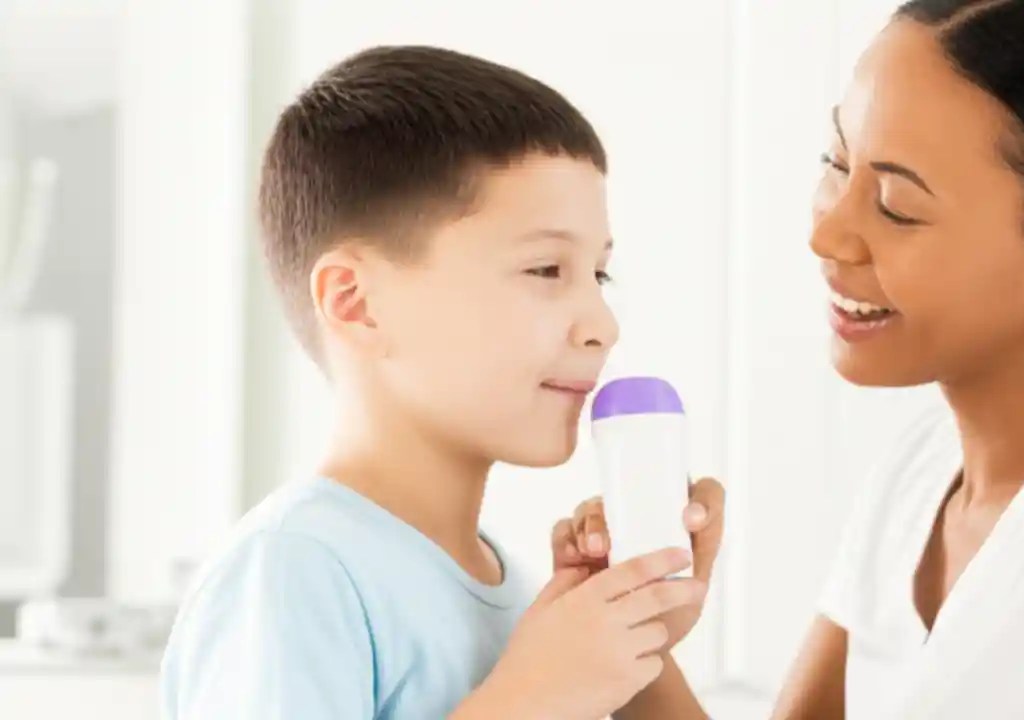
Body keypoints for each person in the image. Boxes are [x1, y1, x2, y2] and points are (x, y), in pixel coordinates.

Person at [558, 0, 1024, 717]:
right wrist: (635, 633)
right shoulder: (923, 471)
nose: (830, 235)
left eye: (898, 206)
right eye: (837, 163)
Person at [160, 45, 713, 720]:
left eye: (598, 275)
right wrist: (536, 698)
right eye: (546, 270)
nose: (602, 324)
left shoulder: (520, 597)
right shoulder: (292, 570)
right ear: (357, 303)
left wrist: (638, 642)